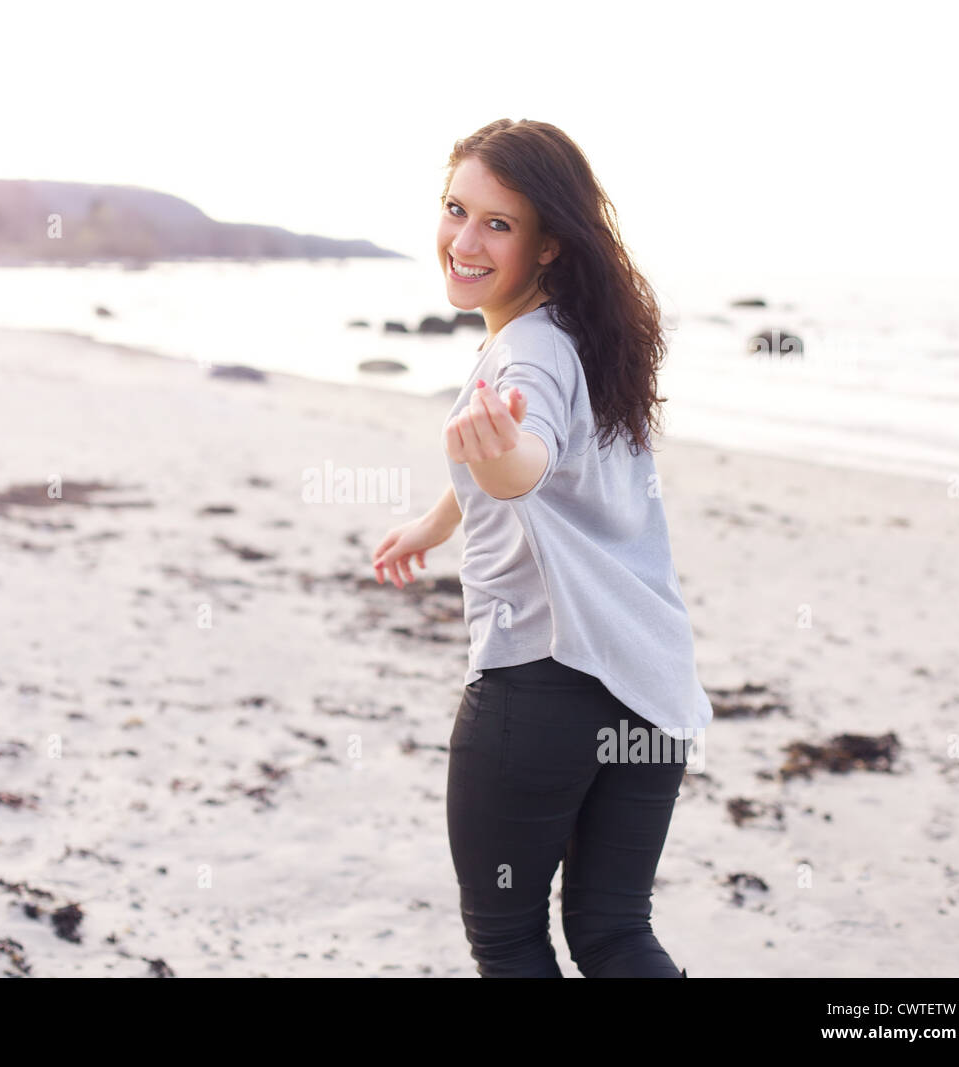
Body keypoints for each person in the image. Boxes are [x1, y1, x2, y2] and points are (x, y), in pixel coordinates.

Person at [371, 118, 712, 977]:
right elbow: (521, 467)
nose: (464, 240)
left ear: (550, 243)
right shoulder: (588, 340)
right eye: (457, 209)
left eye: (498, 222)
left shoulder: (525, 357)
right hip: (650, 690)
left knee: (510, 940)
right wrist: (437, 521)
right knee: (615, 933)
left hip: (542, 687)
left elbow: (529, 459)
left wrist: (505, 459)